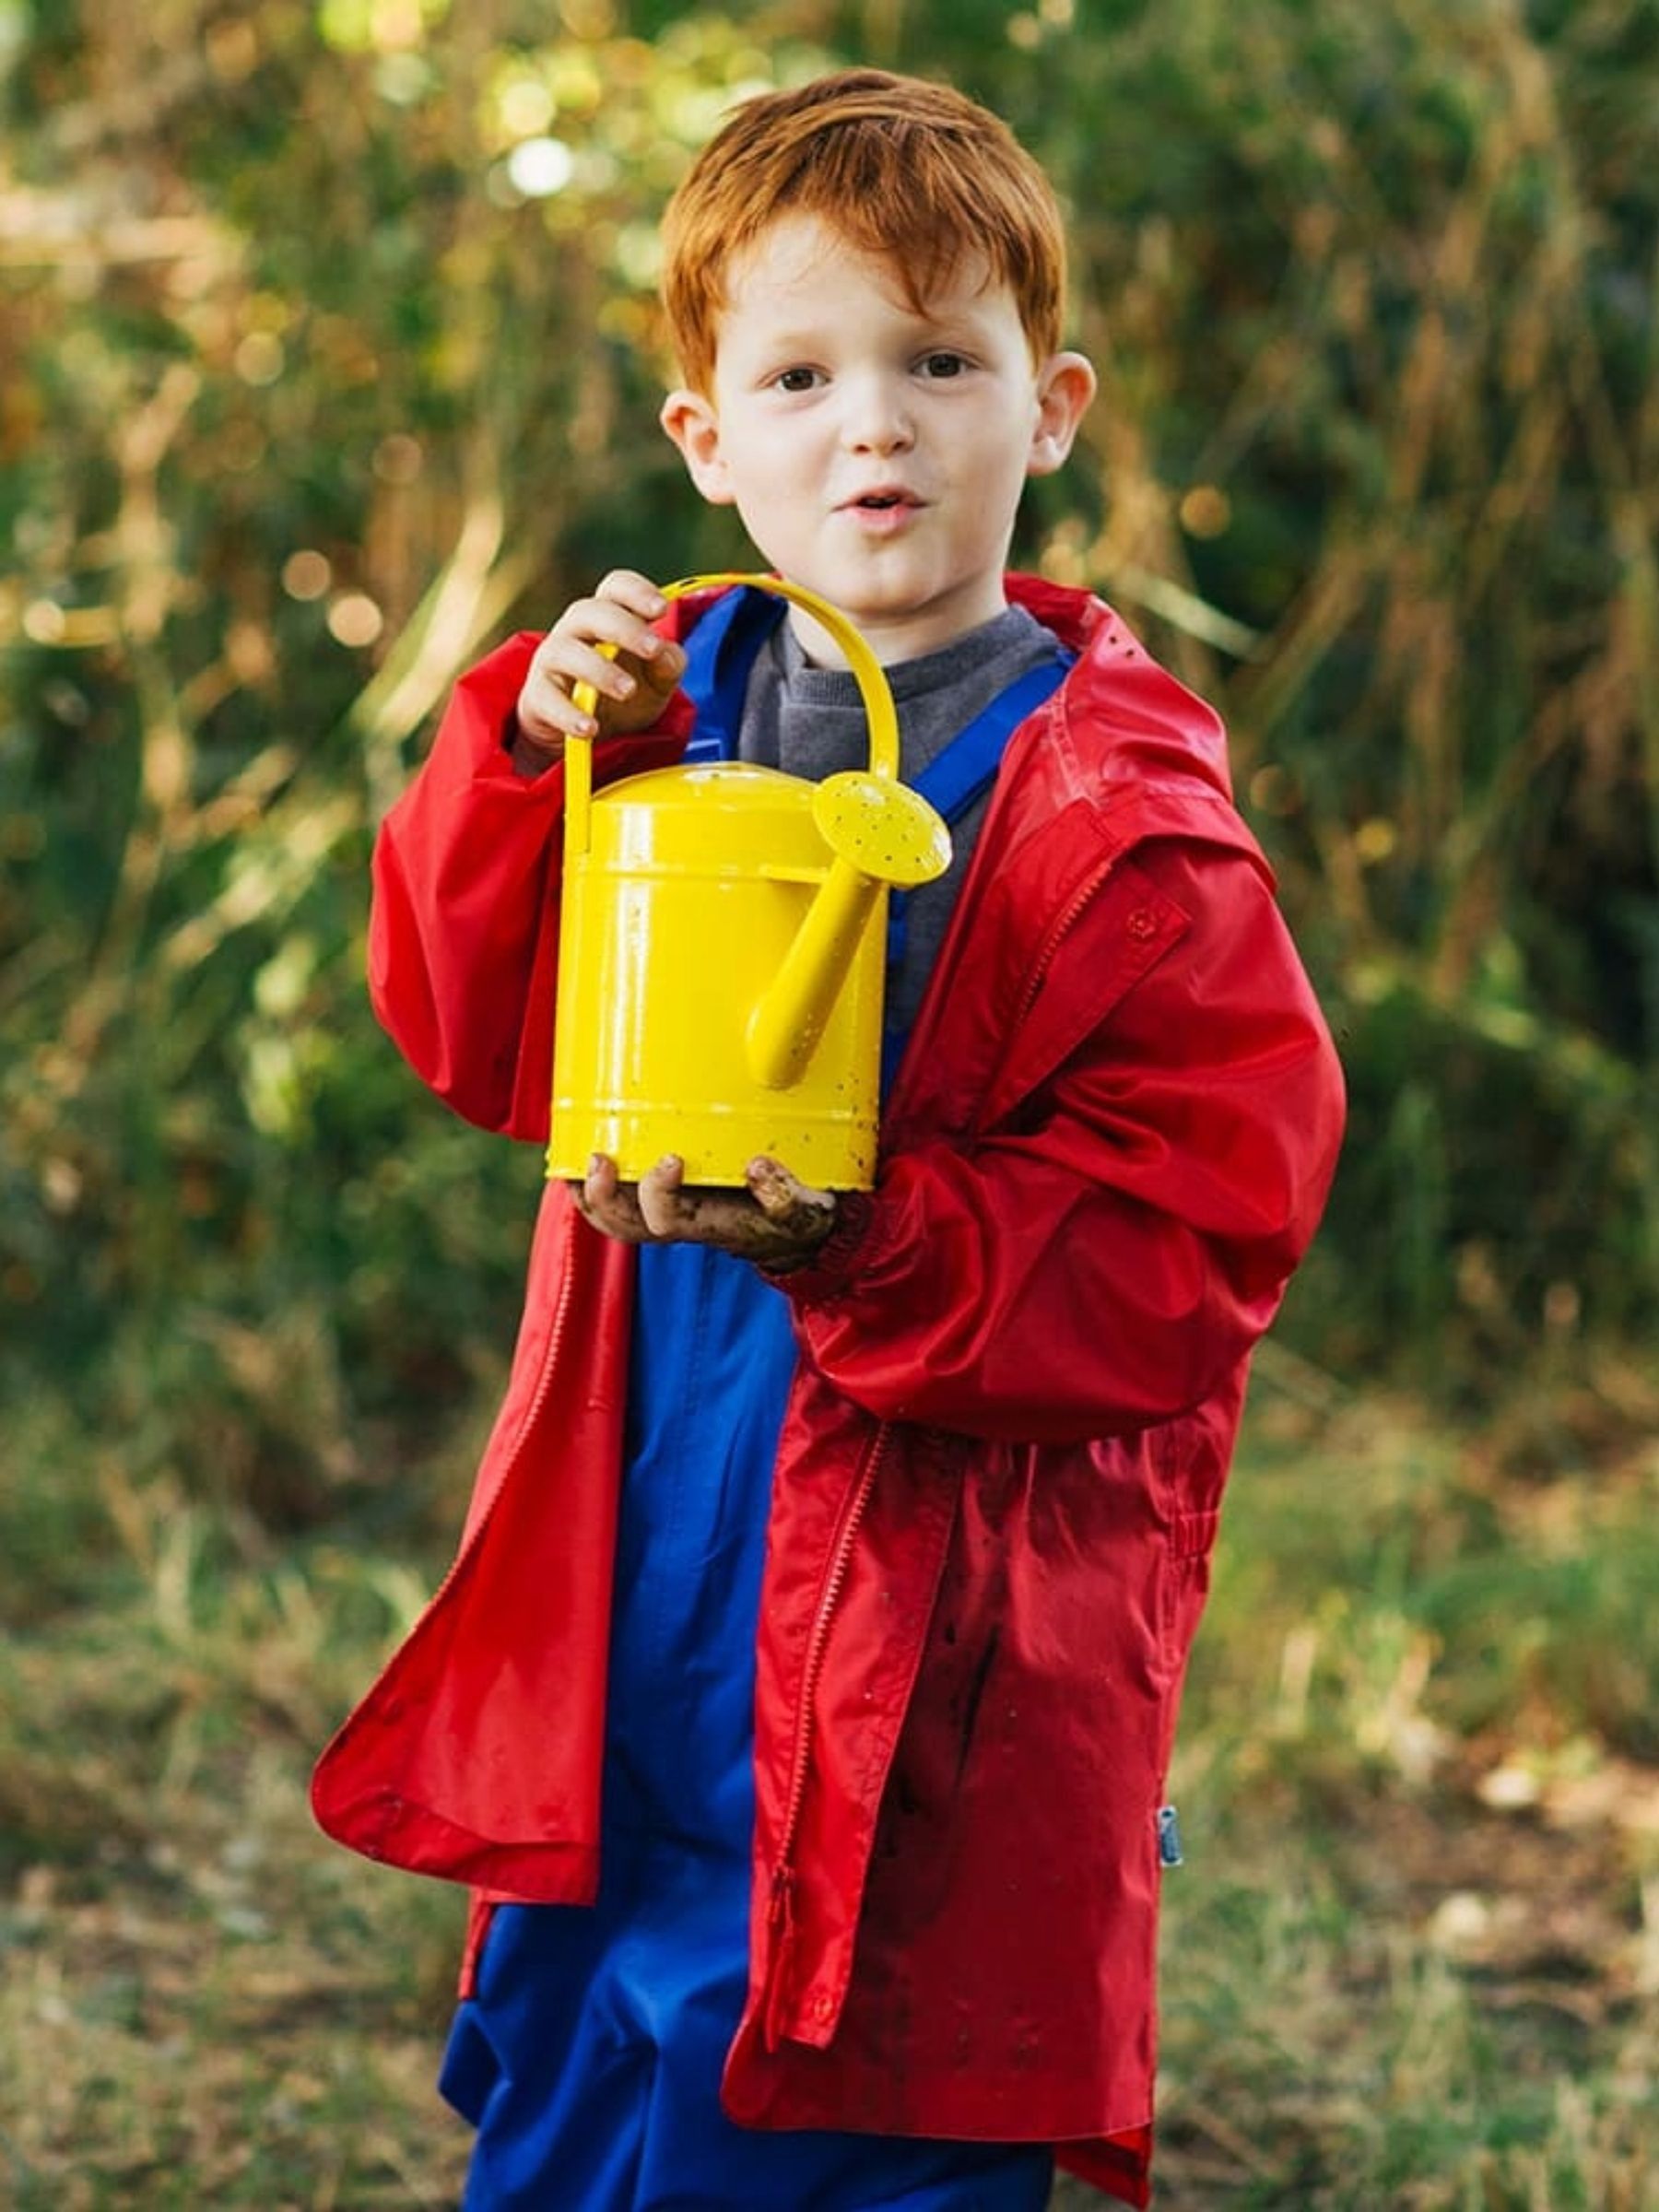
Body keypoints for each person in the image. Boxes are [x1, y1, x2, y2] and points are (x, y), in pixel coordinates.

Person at [312, 66, 1346, 2212]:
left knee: (846, 2052)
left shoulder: (1123, 825)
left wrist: (874, 1239)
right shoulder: (649, 706)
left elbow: (1193, 1243)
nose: (871, 423)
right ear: (706, 438)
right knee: (609, 2003)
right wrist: (524, 763)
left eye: (938, 361)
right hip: (640, 1484)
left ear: (1047, 409)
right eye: (798, 371)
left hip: (932, 1570)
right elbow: (469, 1017)